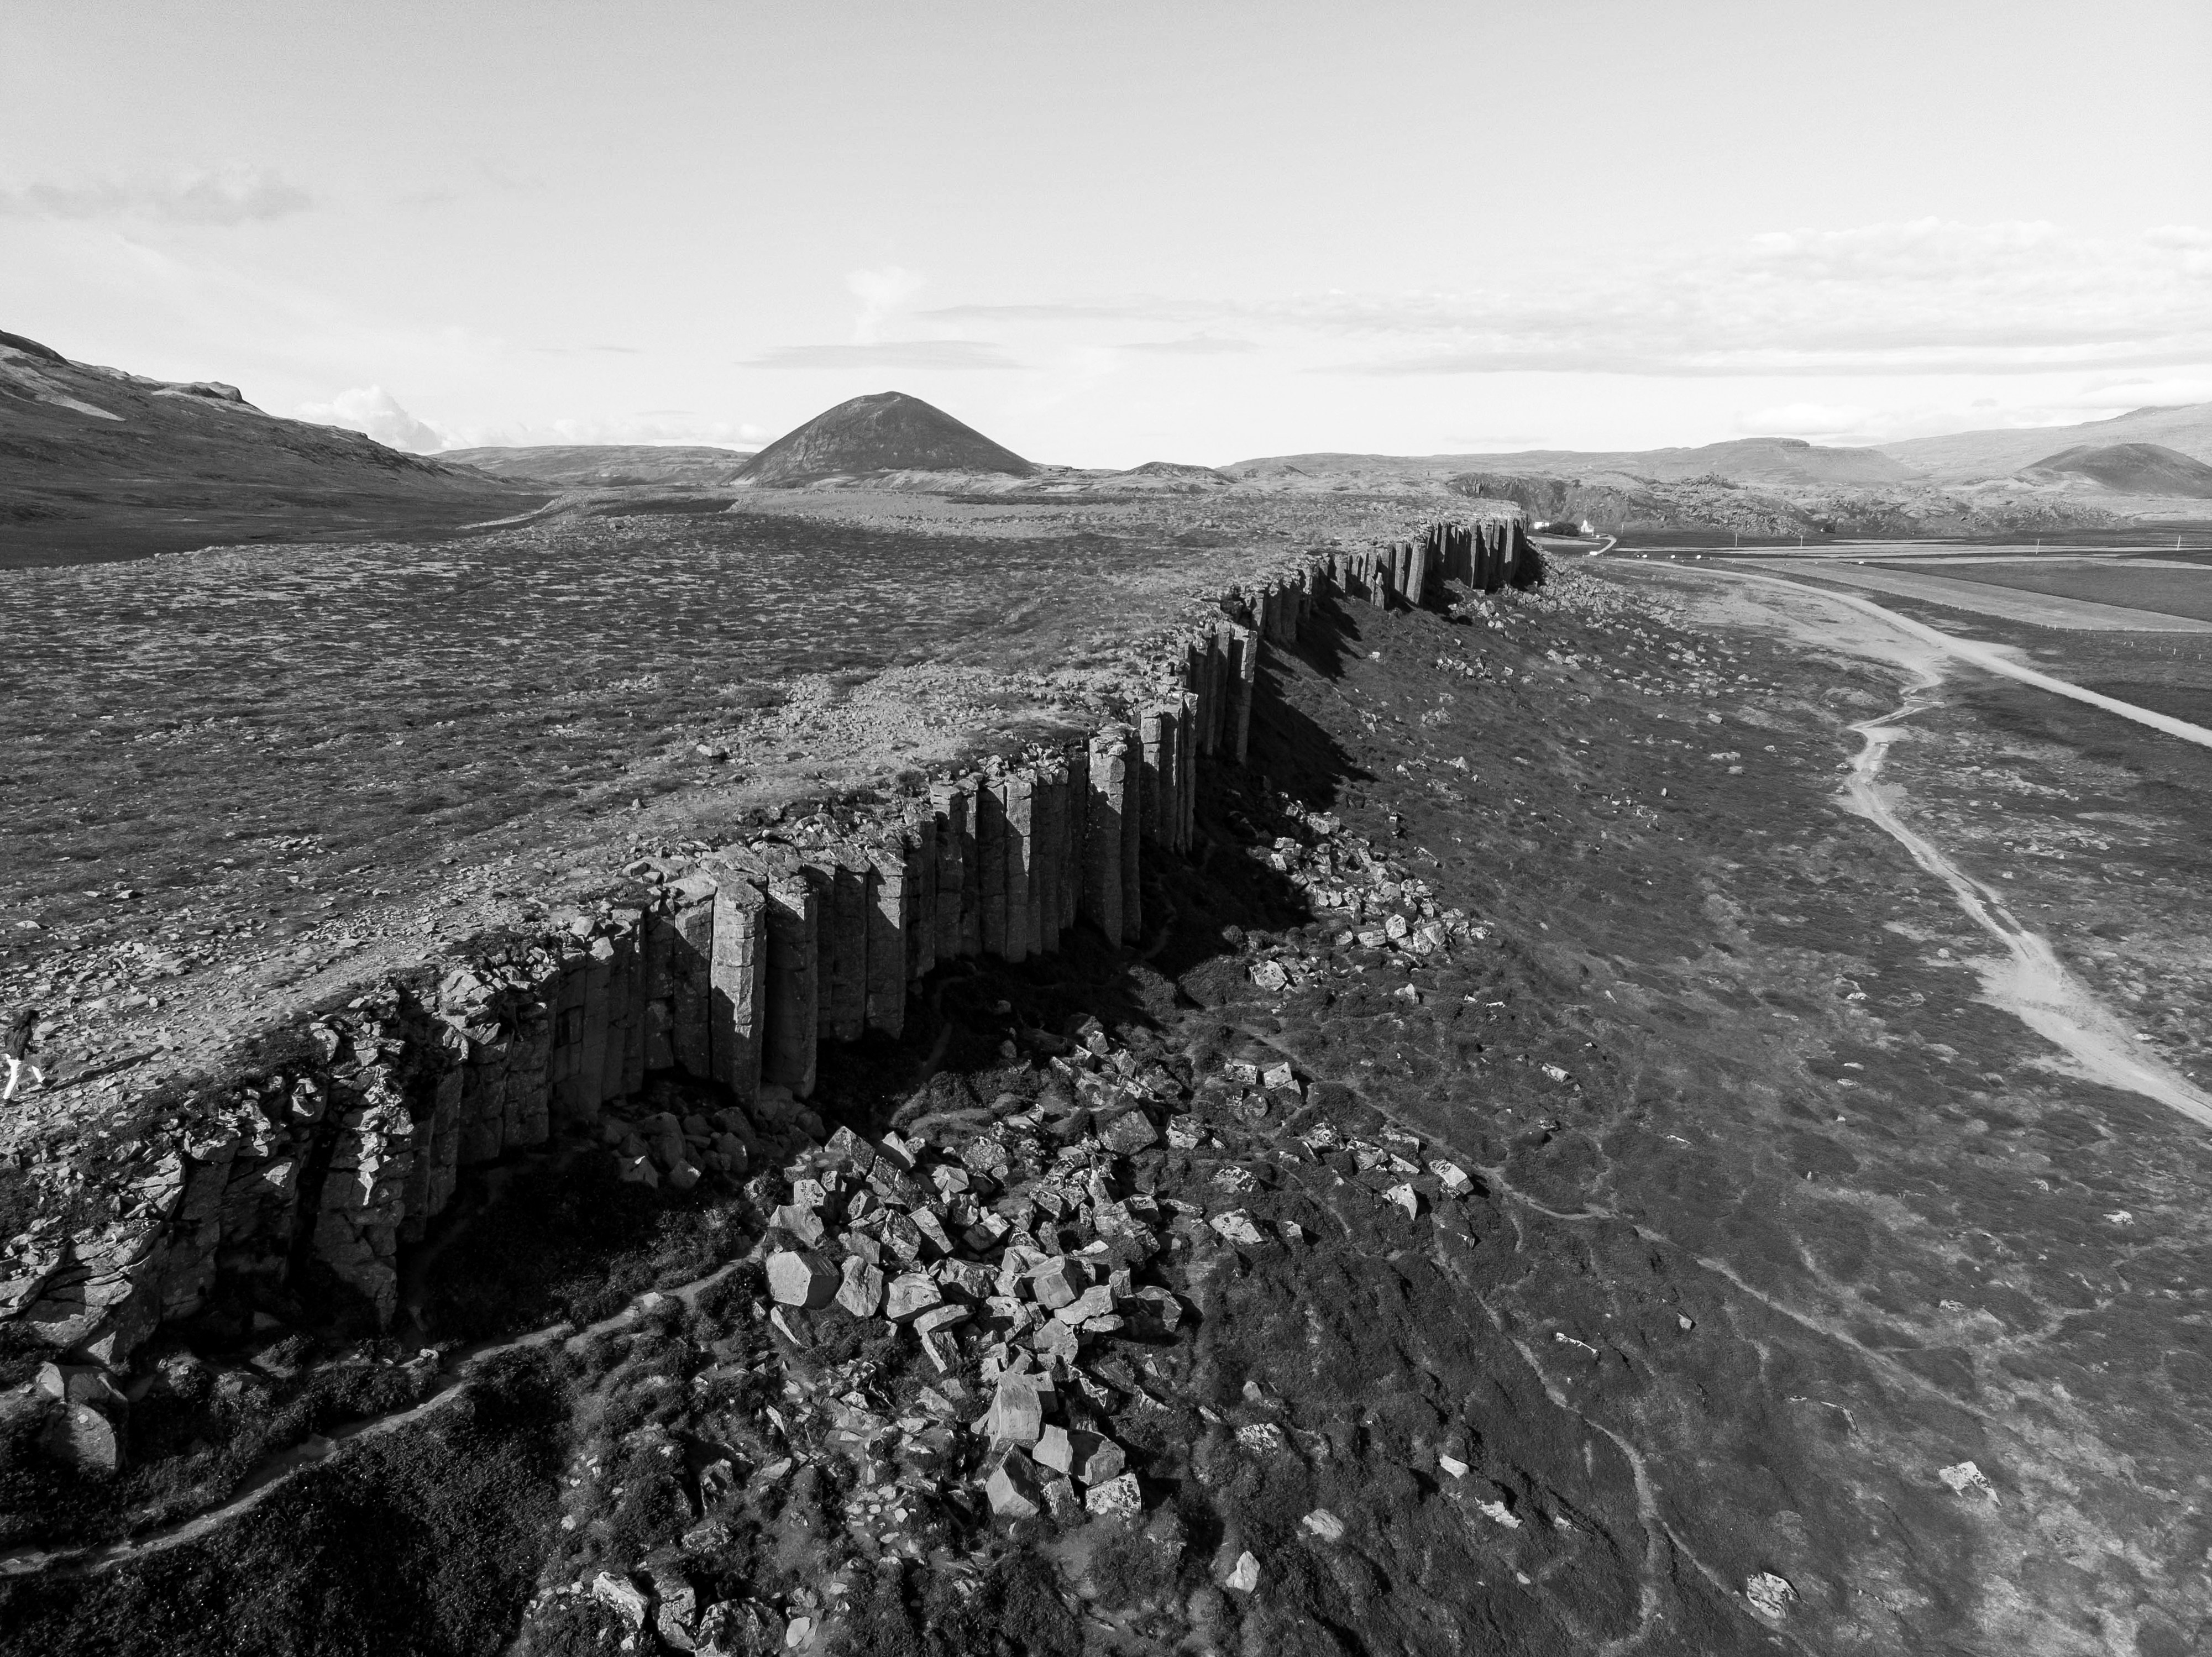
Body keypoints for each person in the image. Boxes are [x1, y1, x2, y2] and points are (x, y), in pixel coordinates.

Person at [3, 1006, 41, 1102]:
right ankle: (7, 1099)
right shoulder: (27, 1030)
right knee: (15, 1078)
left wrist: (30, 1049)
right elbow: (22, 1043)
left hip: (10, 1054)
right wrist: (20, 1056)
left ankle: (43, 1081)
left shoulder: (15, 1027)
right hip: (17, 1056)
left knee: (35, 1061)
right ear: (32, 1019)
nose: (38, 1021)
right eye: (37, 1019)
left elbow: (6, 1037)